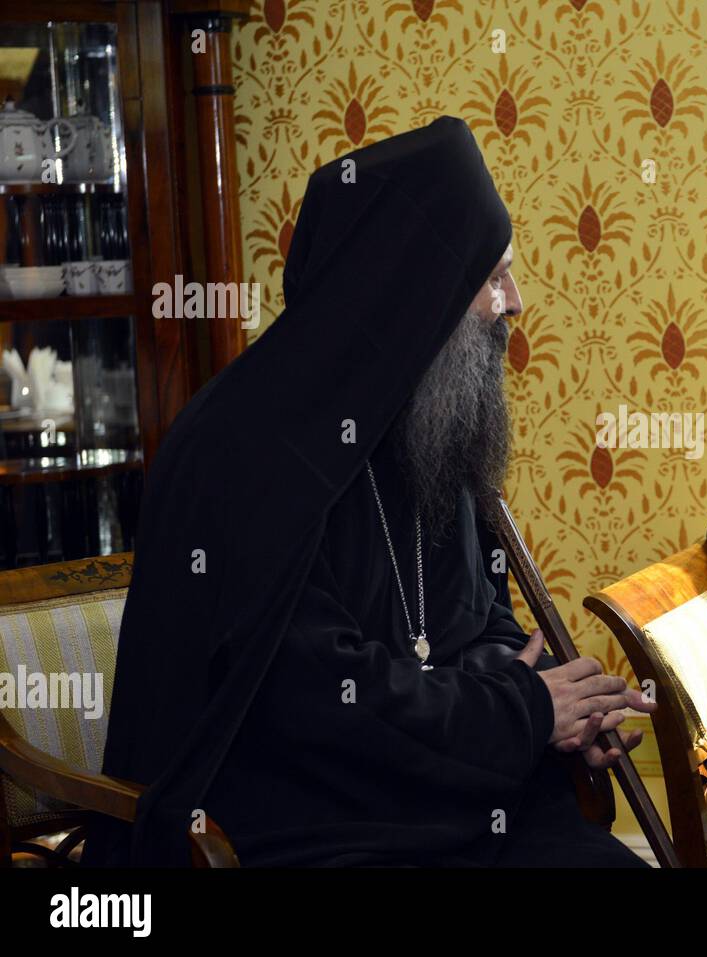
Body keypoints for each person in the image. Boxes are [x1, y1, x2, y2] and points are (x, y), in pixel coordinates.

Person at [86, 118, 651, 867]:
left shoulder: (425, 423)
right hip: (308, 825)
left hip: (442, 801)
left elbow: (477, 625)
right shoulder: (240, 449)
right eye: (493, 276)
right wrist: (524, 710)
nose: (514, 301)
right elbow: (314, 697)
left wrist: (554, 695)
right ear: (415, 287)